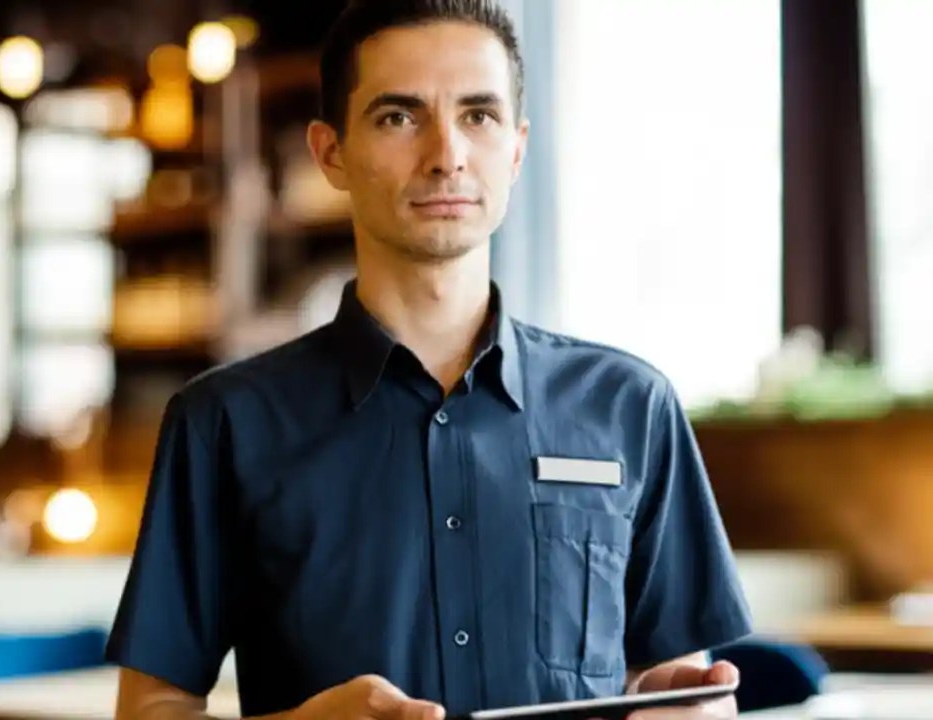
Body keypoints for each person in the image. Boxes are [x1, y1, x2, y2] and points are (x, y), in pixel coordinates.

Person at [106, 1, 754, 718]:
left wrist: (686, 708)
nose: (446, 153)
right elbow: (151, 707)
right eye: (399, 117)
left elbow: (677, 683)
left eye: (479, 115)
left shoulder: (630, 406)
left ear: (516, 147)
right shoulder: (223, 423)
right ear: (331, 154)